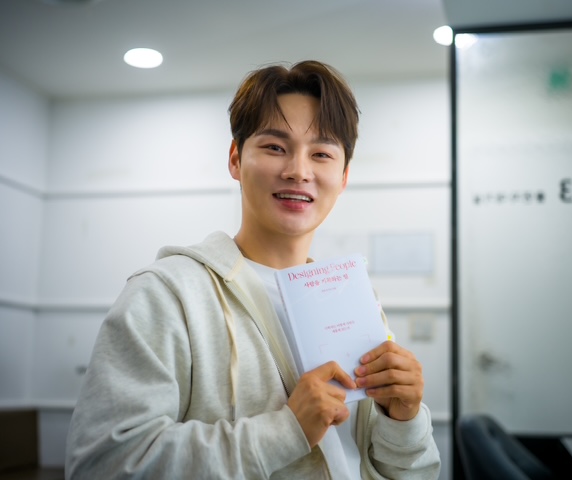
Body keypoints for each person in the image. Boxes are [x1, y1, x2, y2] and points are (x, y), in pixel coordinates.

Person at [65, 60, 441, 479]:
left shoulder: (354, 299)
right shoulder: (167, 294)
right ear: (235, 159)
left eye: (321, 154)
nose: (298, 171)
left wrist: (404, 420)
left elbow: (410, 471)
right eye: (275, 147)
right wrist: (287, 430)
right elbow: (103, 465)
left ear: (344, 177)